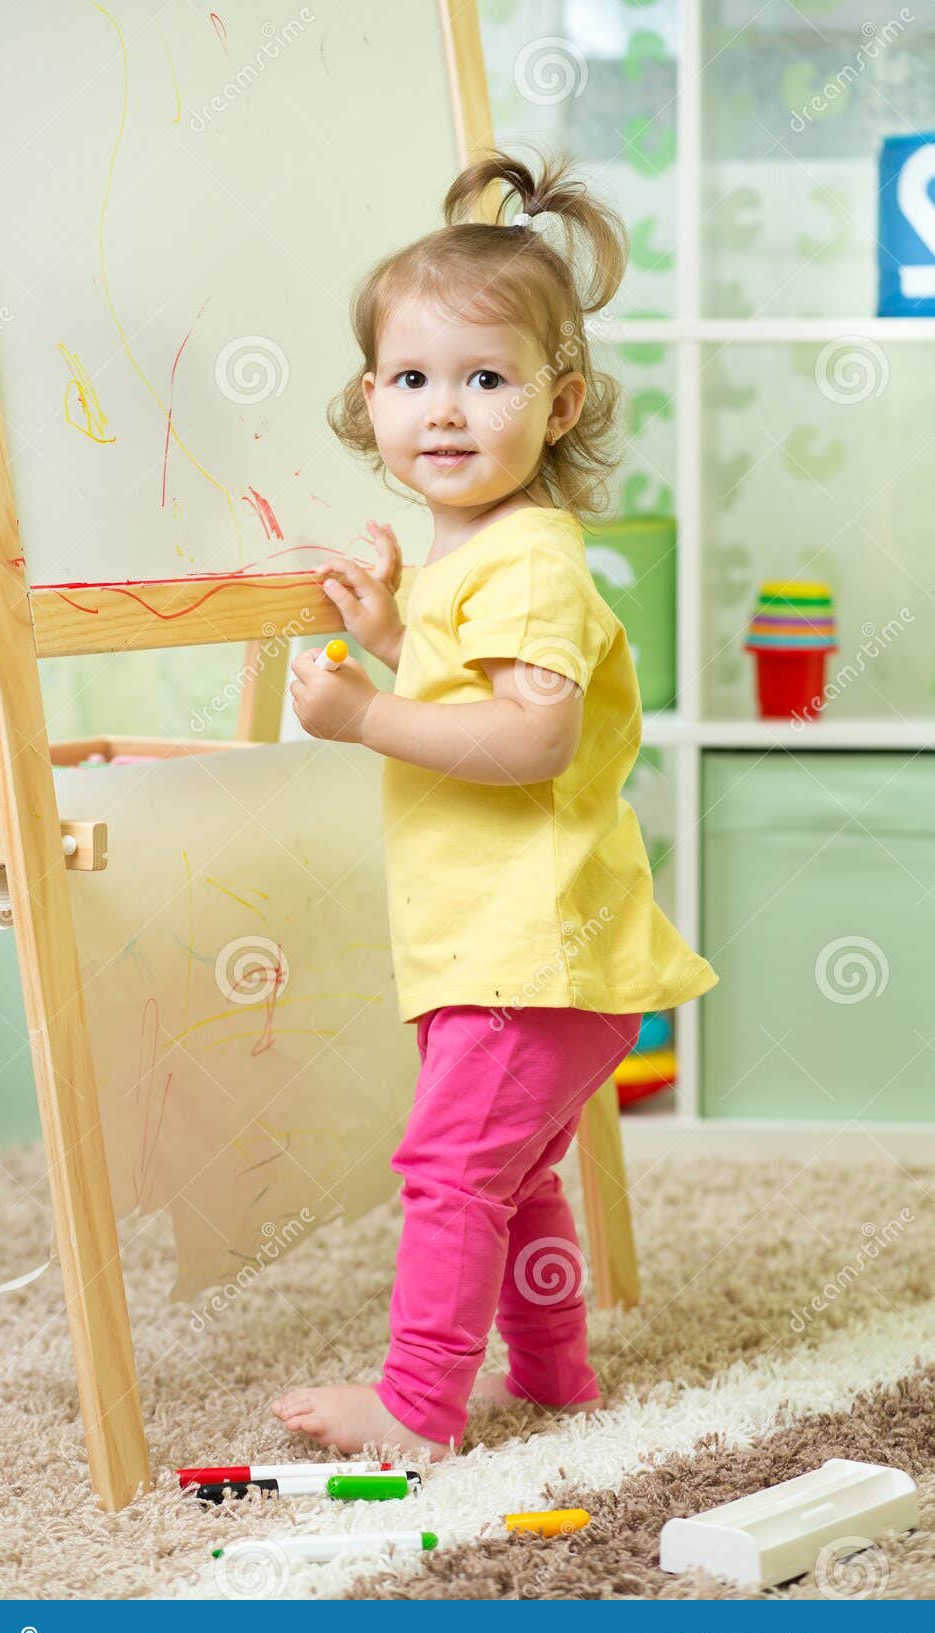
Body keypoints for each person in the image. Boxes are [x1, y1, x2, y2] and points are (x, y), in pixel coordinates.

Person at [272, 148, 718, 1461]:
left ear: (559, 402)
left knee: (452, 1173)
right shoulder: (482, 559)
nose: (446, 411)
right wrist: (398, 630)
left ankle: (417, 1408)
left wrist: (363, 713)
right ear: (371, 397)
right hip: (510, 947)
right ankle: (556, 1374)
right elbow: (472, 672)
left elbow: (532, 735)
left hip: (529, 950)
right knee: (514, 1178)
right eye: (414, 379)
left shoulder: (529, 563)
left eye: (488, 379)